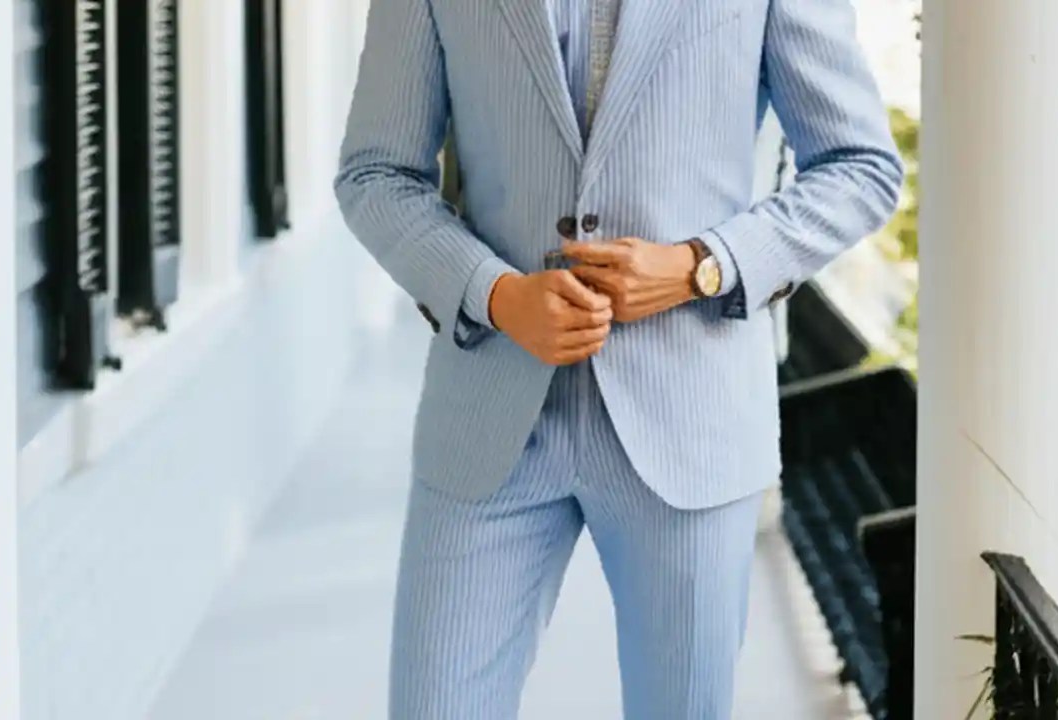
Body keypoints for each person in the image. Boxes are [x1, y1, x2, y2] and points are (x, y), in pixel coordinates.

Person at [335, 0, 902, 717]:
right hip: (490, 415)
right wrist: (496, 295)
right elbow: (376, 174)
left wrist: (703, 265)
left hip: (689, 418)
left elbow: (858, 167)